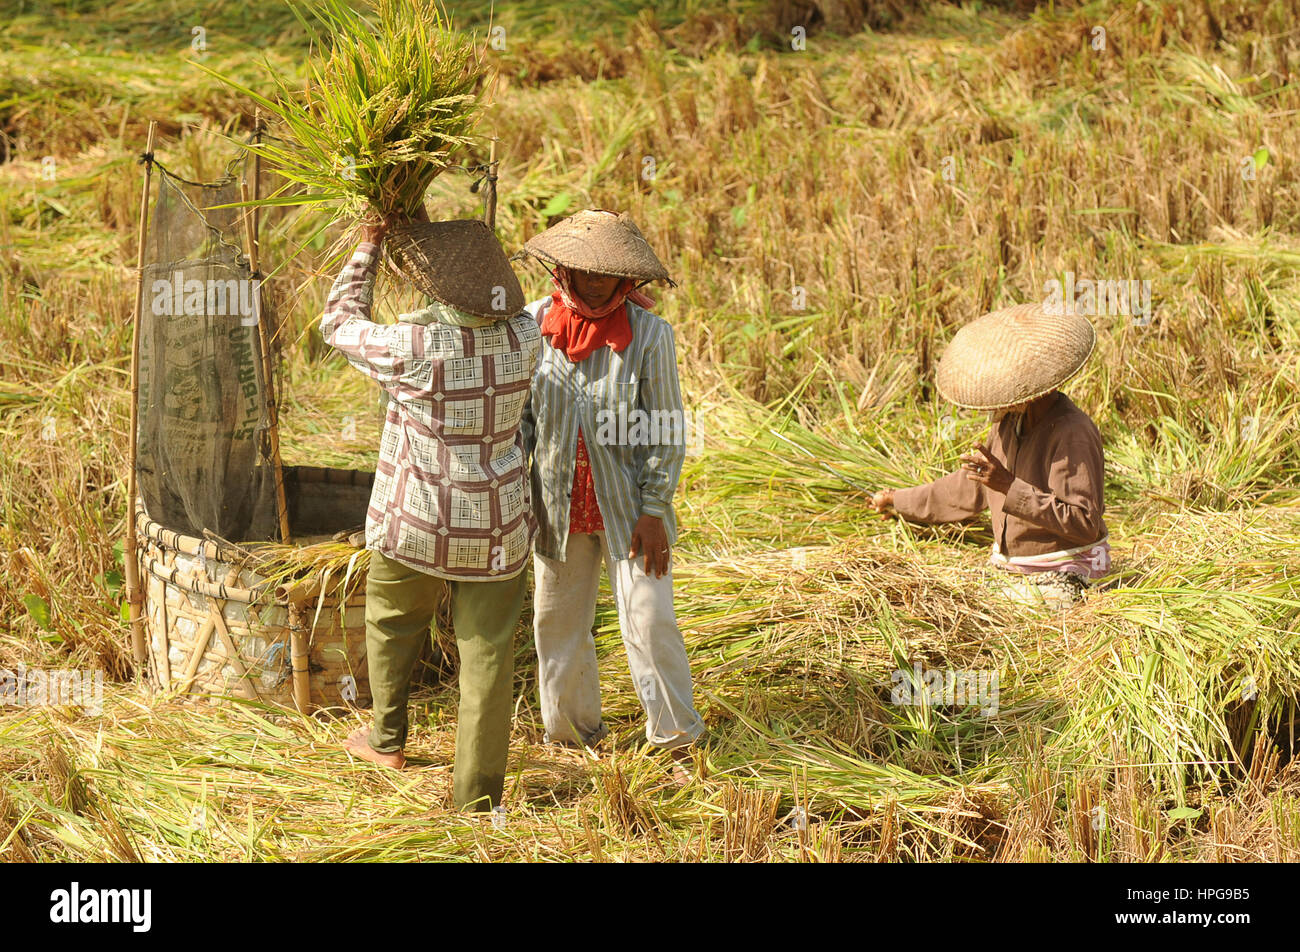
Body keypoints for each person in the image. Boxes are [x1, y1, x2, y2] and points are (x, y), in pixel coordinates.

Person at [323, 213, 541, 811]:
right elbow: (541, 310)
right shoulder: (525, 337)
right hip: (496, 527)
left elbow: (338, 322)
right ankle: (475, 798)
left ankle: (386, 739)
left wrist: (368, 247)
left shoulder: (413, 345)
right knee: (488, 662)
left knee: (392, 624)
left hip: (415, 521)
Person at [514, 209, 704, 770]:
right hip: (556, 507)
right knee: (557, 625)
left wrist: (653, 508)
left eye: (607, 275)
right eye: (582, 272)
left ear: (627, 280)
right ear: (562, 271)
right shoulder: (532, 327)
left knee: (649, 618)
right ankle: (572, 737)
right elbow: (519, 420)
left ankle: (676, 737)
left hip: (630, 511)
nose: (594, 284)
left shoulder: (649, 336)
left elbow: (665, 428)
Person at [870, 302, 1110, 610]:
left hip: (1066, 569)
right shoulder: (1008, 422)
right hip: (1012, 569)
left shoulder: (1072, 432)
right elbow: (969, 487)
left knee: (986, 612)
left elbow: (1083, 522)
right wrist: (898, 500)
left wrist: (1010, 486)